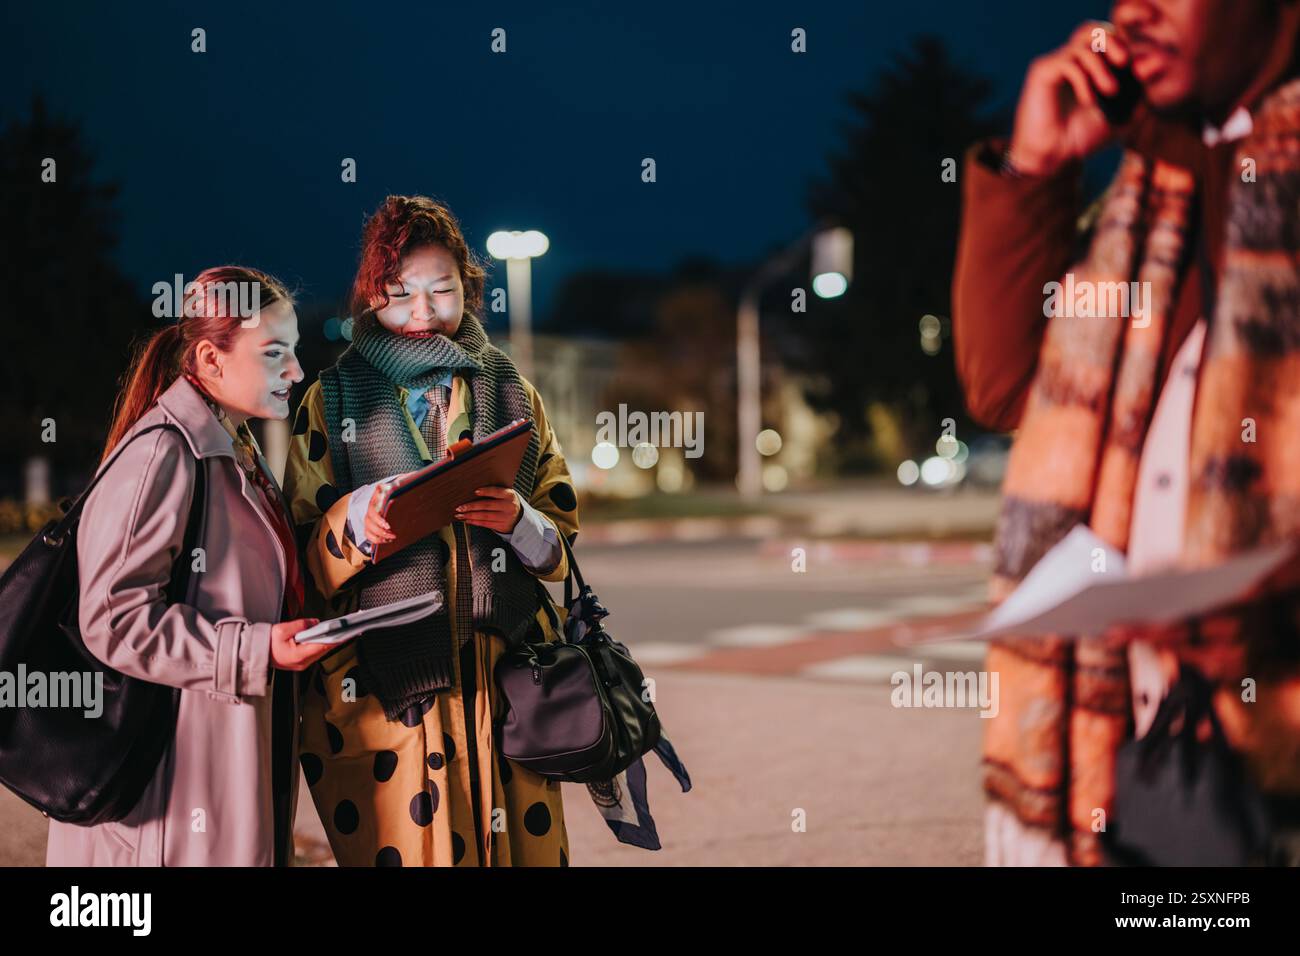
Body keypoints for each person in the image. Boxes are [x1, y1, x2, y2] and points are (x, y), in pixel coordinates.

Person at [953, 0, 1300, 865]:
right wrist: (1035, 167)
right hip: (1156, 755)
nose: (1132, 12)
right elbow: (1005, 390)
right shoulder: (1156, 204)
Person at [283, 196, 580, 867]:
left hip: (508, 680)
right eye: (399, 293)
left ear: (467, 288)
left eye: (441, 291)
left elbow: (560, 535)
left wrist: (521, 522)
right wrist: (355, 525)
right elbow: (298, 551)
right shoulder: (330, 398)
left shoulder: (514, 391)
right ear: (370, 298)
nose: (423, 312)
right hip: (386, 692)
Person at [46, 266, 332, 866]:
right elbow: (112, 620)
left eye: (296, 351)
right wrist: (257, 651)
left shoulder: (234, 453)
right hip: (166, 803)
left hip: (223, 773)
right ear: (209, 358)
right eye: (275, 352)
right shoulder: (163, 452)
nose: (297, 371)